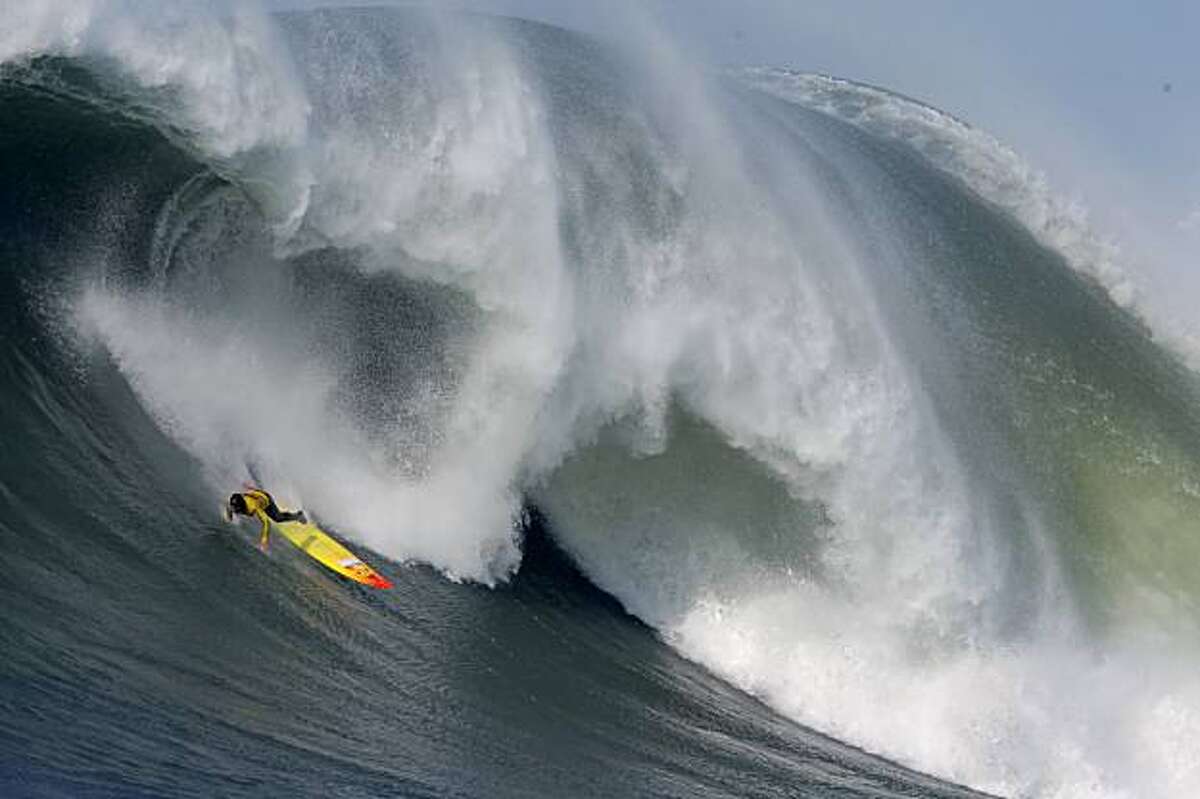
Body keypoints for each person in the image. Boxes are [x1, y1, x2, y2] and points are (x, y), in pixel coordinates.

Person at [224, 486, 307, 552]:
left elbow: (266, 523)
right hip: (255, 494)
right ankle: (251, 487)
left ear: (242, 506)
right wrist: (229, 518)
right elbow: (230, 507)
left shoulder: (254, 506)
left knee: (278, 518)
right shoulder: (234, 504)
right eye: (234, 507)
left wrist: (264, 541)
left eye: (236, 508)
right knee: (242, 504)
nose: (234, 509)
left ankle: (298, 516)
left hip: (266, 500)